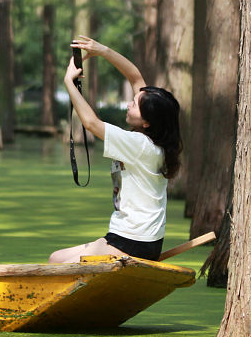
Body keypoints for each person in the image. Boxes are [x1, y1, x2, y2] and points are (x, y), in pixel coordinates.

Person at [48, 36, 182, 263]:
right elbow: (135, 76)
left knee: (59, 266)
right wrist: (101, 50)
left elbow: (91, 123)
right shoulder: (150, 139)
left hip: (133, 242)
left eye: (135, 104)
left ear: (147, 121)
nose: (129, 103)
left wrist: (70, 84)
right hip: (135, 237)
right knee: (54, 258)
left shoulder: (139, 145)